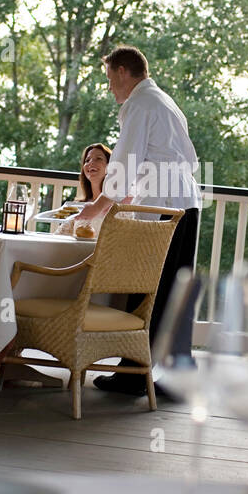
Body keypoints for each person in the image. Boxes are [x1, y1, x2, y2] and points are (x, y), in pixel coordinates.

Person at [76, 46, 202, 398]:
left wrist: (98, 205)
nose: (110, 89)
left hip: (164, 204)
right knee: (173, 289)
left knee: (146, 285)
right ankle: (168, 373)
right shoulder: (163, 100)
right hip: (184, 202)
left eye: (109, 80)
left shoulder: (140, 104)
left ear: (121, 72)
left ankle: (134, 374)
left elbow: (126, 160)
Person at [53, 142, 116, 237]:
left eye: (98, 158)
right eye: (87, 160)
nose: (91, 163)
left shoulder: (117, 205)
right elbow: (58, 237)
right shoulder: (78, 206)